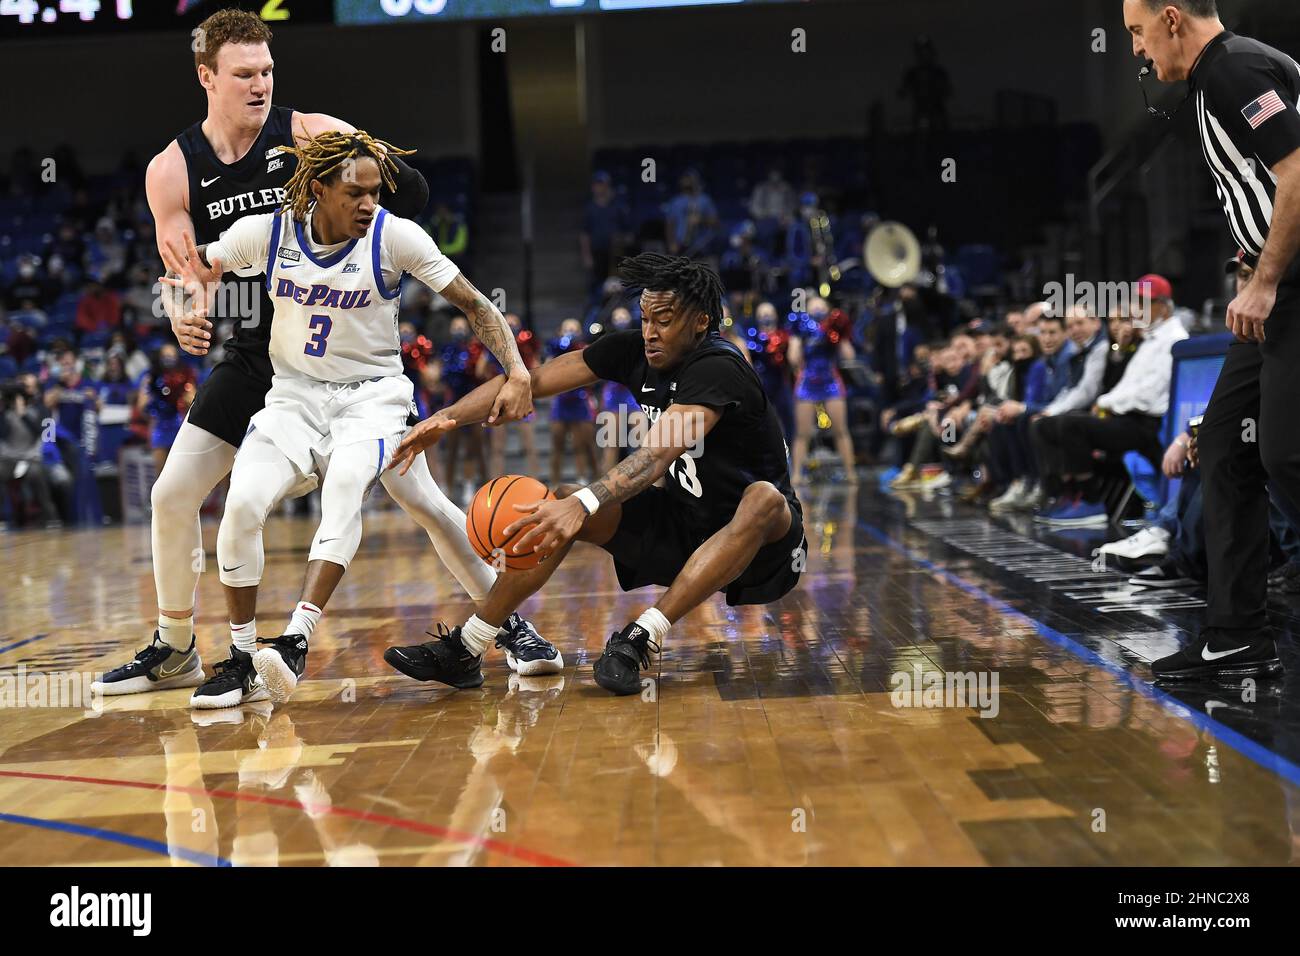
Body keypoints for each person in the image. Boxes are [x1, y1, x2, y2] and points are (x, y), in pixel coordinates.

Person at [91, 7, 532, 699]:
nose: (260, 84)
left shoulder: (310, 134)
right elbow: (181, 273)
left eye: (267, 70)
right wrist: (182, 312)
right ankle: (175, 647)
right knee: (173, 494)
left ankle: (508, 627)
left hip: (353, 364)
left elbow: (407, 196)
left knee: (423, 503)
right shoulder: (173, 170)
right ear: (207, 76)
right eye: (244, 74)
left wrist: (364, 152)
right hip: (258, 359)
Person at [159, 129, 555, 708]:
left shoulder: (394, 236)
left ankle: (296, 640)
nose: (370, 204)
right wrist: (183, 308)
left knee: (351, 488)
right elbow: (190, 270)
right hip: (293, 397)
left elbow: (473, 302)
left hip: (374, 398)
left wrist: (517, 371)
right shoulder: (267, 233)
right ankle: (244, 657)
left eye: (376, 192)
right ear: (318, 190)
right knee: (244, 503)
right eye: (356, 194)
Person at [384, 253, 807, 697]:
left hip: (766, 547)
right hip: (687, 525)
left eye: (663, 320)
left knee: (762, 497)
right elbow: (530, 380)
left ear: (701, 322)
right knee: (559, 500)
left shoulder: (720, 366)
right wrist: (445, 419)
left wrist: (585, 502)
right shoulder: (634, 350)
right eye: (645, 318)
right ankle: (468, 646)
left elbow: (656, 456)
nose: (650, 332)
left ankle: (640, 637)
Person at [1125, 0, 1300, 679]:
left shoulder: (1235, 68)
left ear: (1171, 18)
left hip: (1291, 291)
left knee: (1286, 454)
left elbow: (1296, 173)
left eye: (1137, 32)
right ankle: (1237, 636)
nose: (1138, 51)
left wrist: (1266, 280)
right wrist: (1252, 269)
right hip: (1273, 291)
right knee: (1223, 443)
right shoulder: (1214, 80)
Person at [788, 298, 858, 485]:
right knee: (803, 433)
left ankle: (850, 472)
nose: (818, 309)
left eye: (821, 307)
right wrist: (798, 339)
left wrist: (841, 335)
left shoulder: (833, 329)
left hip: (830, 381)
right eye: (814, 307)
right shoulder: (801, 328)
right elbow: (793, 358)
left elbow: (849, 356)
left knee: (841, 430)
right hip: (807, 383)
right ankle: (796, 474)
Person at [546, 318, 600, 487]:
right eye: (567, 329)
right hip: (561, 401)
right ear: (560, 332)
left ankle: (583, 481)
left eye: (574, 329)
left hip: (580, 399)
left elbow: (592, 379)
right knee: (557, 445)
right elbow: (546, 375)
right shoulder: (555, 351)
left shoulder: (585, 350)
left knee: (582, 445)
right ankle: (554, 484)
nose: (570, 332)